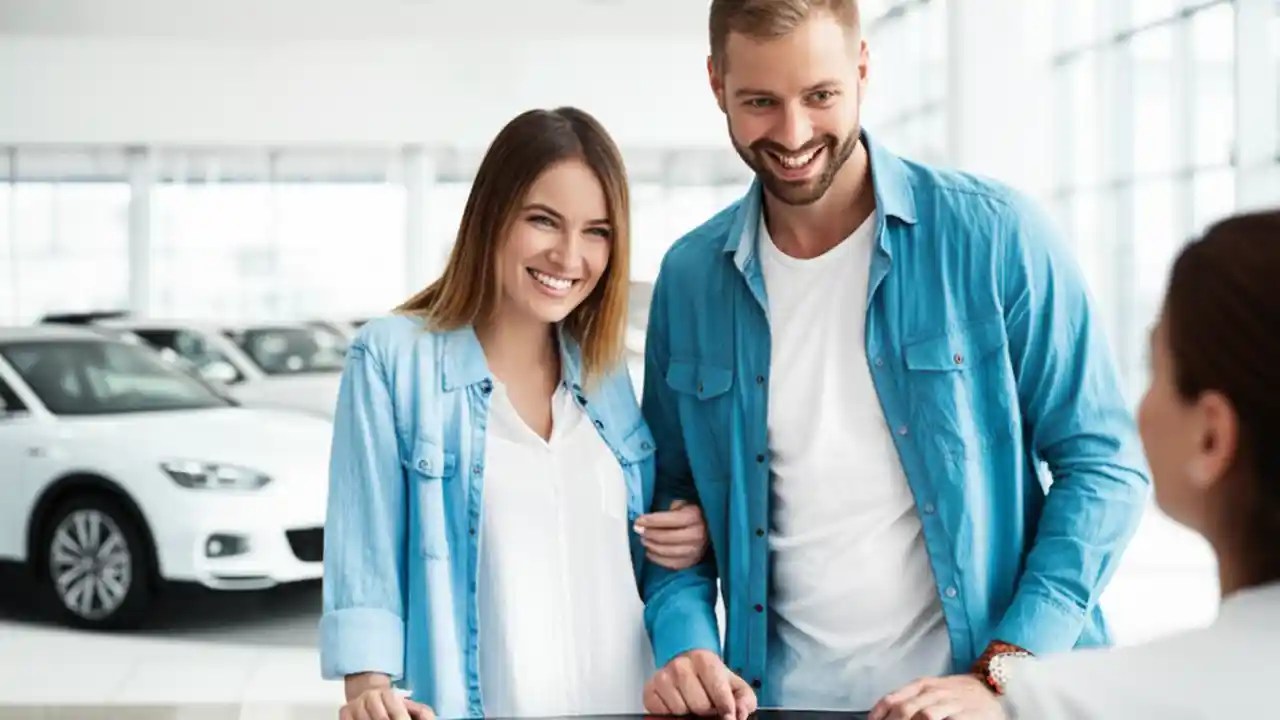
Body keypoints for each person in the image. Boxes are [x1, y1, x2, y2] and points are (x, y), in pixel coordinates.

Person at [639, 1, 1151, 718]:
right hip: (778, 703)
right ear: (717, 84)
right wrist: (685, 646)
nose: (792, 135)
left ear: (863, 70)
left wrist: (1002, 675)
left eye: (820, 96)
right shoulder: (691, 278)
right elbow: (670, 502)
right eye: (760, 101)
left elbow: (1105, 468)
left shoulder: (995, 237)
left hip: (986, 702)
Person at [319, 107, 715, 720]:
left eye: (597, 231)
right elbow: (364, 566)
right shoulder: (393, 360)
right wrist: (369, 693)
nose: (568, 255)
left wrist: (689, 535)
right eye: (543, 221)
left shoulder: (605, 372)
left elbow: (641, 566)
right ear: (492, 214)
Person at [998, 210, 1280, 719]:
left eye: (1156, 370)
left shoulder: (1070, 702)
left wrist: (1000, 676)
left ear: (1211, 437)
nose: (1138, 408)